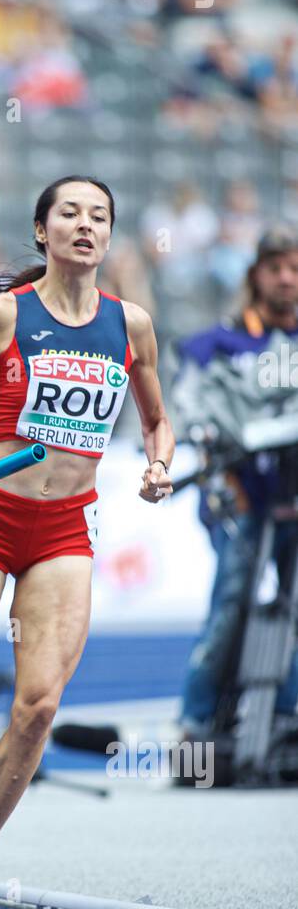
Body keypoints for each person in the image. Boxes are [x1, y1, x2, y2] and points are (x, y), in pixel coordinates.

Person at [0, 176, 174, 909]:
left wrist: (158, 465)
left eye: (100, 216)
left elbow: (157, 420)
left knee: (39, 705)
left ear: (109, 234)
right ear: (41, 231)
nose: (86, 225)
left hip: (66, 530)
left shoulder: (132, 325)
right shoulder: (1, 314)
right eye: (70, 214)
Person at [172, 226, 298, 743]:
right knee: (231, 604)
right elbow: (189, 410)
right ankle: (197, 722)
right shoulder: (218, 343)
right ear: (255, 276)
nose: (286, 279)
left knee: (293, 609)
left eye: (294, 269)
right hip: (242, 499)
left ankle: (285, 720)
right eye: (276, 269)